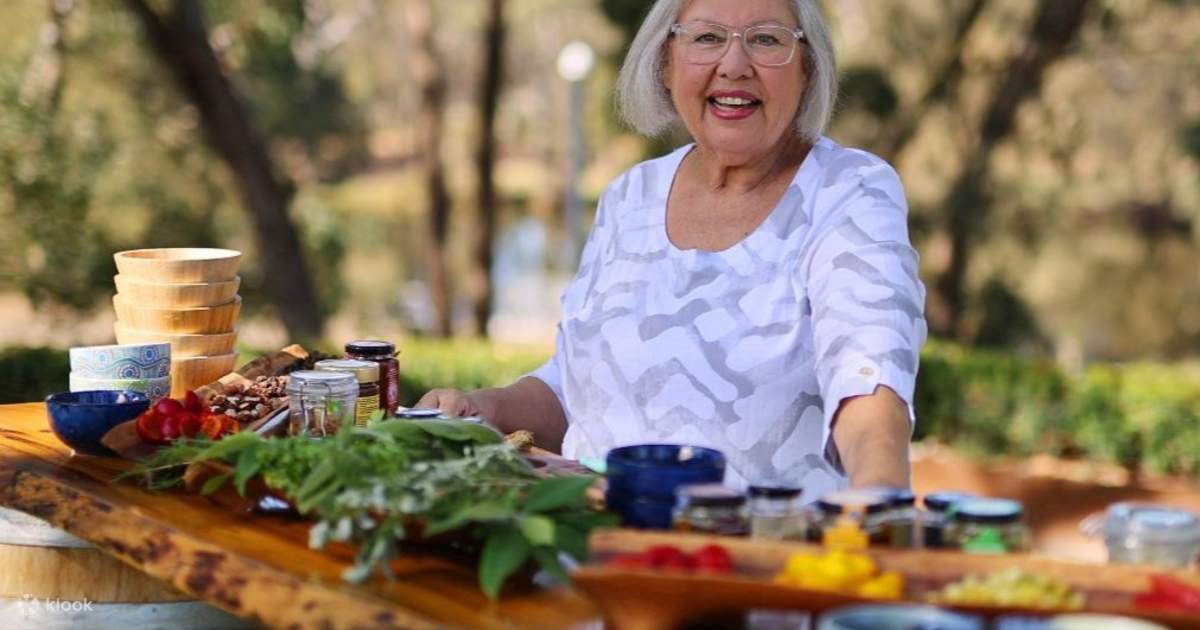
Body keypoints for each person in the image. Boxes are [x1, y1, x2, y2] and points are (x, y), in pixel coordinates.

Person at [418, 0, 927, 499]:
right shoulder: (630, 195)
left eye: (766, 39)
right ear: (665, 63)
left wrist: (880, 497)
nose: (734, 64)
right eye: (706, 37)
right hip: (595, 535)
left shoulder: (849, 190)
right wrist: (485, 409)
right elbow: (577, 390)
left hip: (759, 543)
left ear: (808, 67)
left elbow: (868, 374)